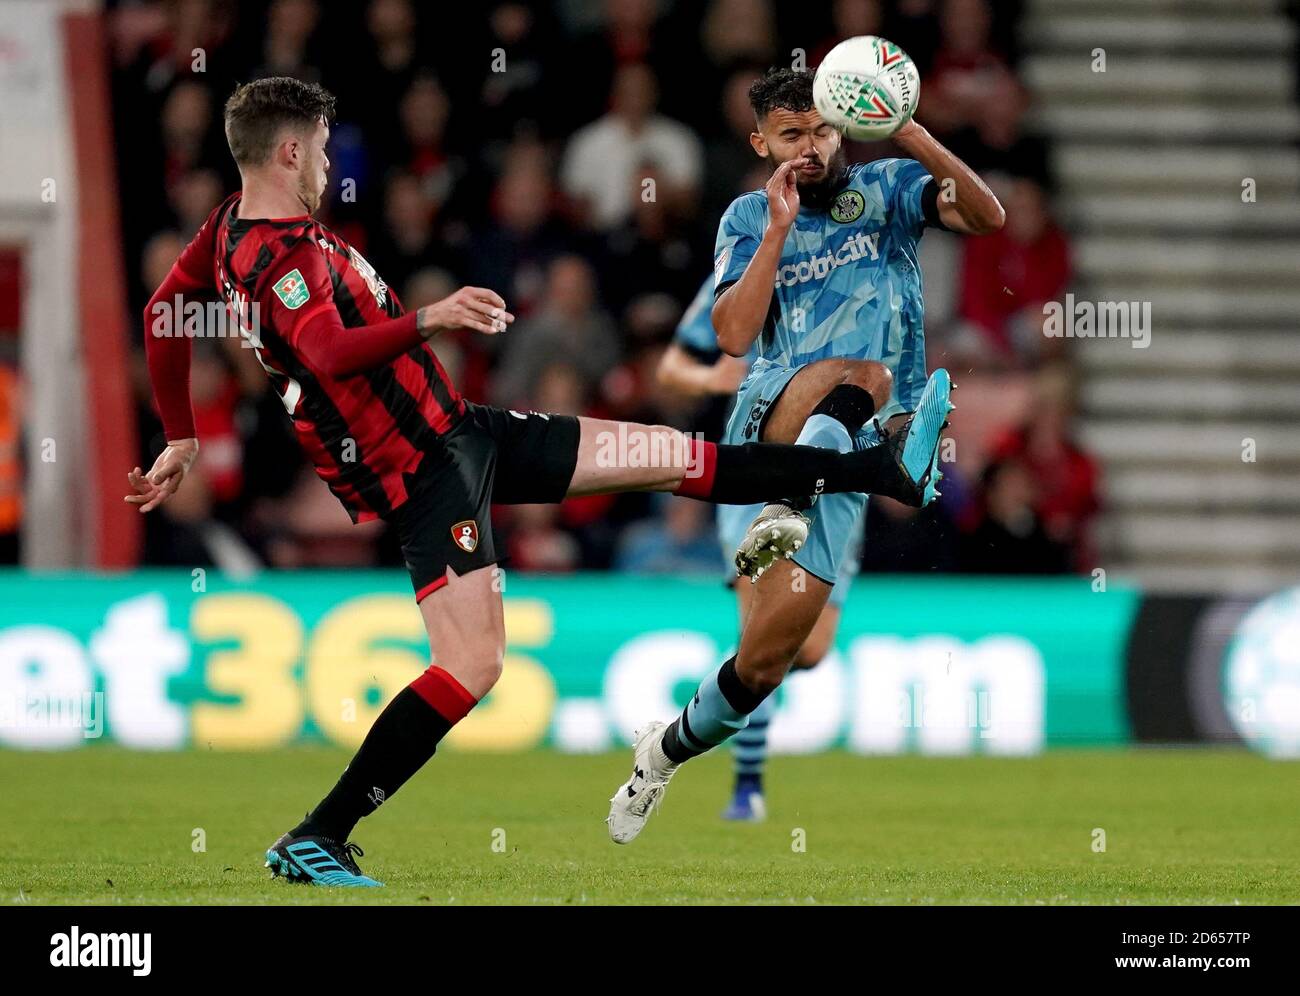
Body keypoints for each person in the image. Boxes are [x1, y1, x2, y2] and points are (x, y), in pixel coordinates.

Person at [127, 77, 946, 887]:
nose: (327, 166)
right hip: (419, 469)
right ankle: (319, 834)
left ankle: (878, 468)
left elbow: (165, 306)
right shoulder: (285, 258)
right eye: (323, 151)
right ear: (292, 150)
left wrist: (181, 433)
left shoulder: (227, 231)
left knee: (668, 456)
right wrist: (431, 317)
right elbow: (330, 352)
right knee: (473, 665)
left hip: (460, 431)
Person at [608, 67, 1005, 845]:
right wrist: (781, 229)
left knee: (766, 665)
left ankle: (662, 752)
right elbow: (727, 336)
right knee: (867, 371)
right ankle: (788, 500)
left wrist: (912, 130)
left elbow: (988, 216)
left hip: (850, 452)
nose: (813, 146)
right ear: (762, 143)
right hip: (771, 415)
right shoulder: (749, 217)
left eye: (823, 129)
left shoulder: (890, 186)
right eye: (793, 135)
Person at [657, 275, 865, 821]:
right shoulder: (745, 273)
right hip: (754, 474)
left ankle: (726, 697)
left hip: (837, 474)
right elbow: (671, 370)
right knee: (760, 630)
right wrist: (711, 377)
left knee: (810, 650)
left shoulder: (858, 268)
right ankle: (748, 785)